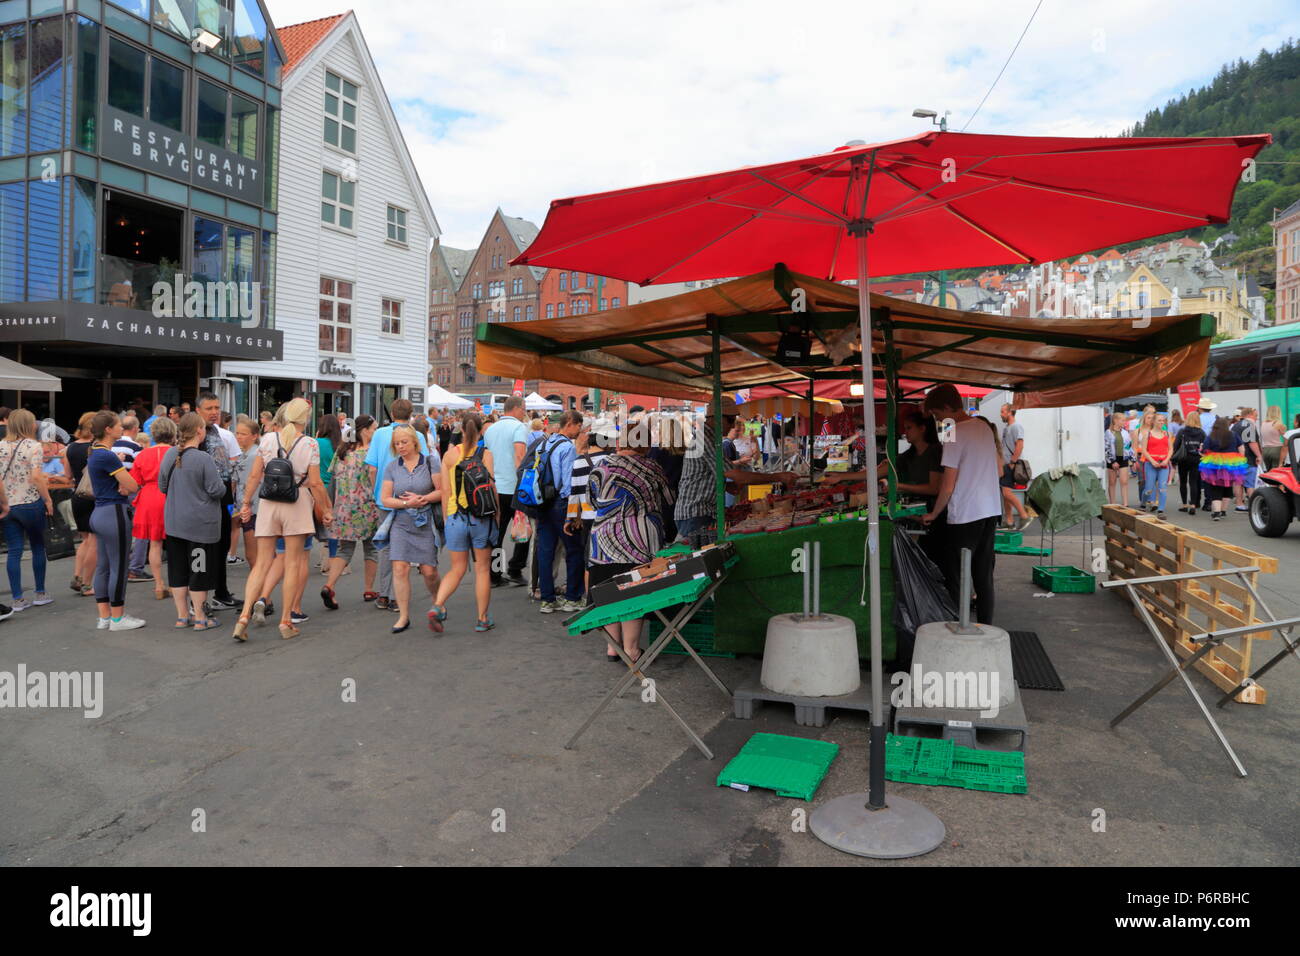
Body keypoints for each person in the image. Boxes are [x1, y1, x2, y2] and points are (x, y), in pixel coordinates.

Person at [232, 399, 332, 641]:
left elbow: (256, 475)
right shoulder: (310, 444)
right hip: (295, 503)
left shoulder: (267, 439)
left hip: (268, 504)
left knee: (262, 564)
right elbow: (316, 483)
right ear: (305, 418)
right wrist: (326, 508)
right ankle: (286, 621)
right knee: (293, 564)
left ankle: (244, 616)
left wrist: (246, 504)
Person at [586, 416, 674, 661]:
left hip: (603, 538)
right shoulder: (652, 467)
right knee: (633, 592)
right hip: (640, 539)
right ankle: (632, 648)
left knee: (609, 590)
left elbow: (591, 501)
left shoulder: (601, 466)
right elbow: (668, 500)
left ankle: (612, 647)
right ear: (645, 443)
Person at [921, 384, 1002, 626]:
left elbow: (947, 484)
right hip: (989, 511)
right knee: (983, 576)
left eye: (936, 414)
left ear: (947, 408)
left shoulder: (955, 432)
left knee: (955, 577)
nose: (937, 420)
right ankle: (987, 627)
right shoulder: (983, 428)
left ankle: (958, 626)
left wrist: (934, 513)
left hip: (966, 514)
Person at [429, 411, 495, 632]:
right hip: (480, 517)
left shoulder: (449, 456)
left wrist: (448, 519)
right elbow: (491, 488)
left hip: (455, 517)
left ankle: (438, 605)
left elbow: (445, 491)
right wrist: (497, 516)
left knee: (457, 568)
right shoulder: (485, 454)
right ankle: (482, 618)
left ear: (461, 430)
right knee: (482, 569)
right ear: (480, 431)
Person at [159, 413, 227, 630]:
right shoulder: (203, 458)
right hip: (199, 526)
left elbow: (162, 486)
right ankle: (199, 617)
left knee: (178, 571)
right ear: (199, 431)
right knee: (199, 570)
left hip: (174, 523)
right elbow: (216, 490)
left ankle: (181, 616)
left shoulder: (170, 455)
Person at [365, 398, 428, 612]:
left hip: (385, 498)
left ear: (392, 414)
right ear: (410, 415)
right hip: (408, 496)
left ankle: (384, 594)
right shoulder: (416, 436)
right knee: (403, 547)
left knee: (385, 545)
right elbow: (424, 465)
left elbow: (372, 468)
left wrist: (376, 490)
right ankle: (394, 596)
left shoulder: (380, 434)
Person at [378, 424, 442, 633]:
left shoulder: (430, 462)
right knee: (399, 568)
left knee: (429, 571)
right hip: (401, 523)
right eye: (397, 444)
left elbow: (442, 492)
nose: (401, 447)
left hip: (425, 522)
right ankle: (404, 616)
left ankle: (437, 601)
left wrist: (422, 499)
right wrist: (407, 504)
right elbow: (385, 499)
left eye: (404, 442)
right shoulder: (392, 467)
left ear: (415, 442)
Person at [86, 411, 144, 630]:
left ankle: (104, 617)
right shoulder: (107, 455)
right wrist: (127, 484)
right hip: (114, 512)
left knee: (103, 566)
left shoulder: (95, 452)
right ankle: (118, 617)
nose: (122, 428)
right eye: (118, 425)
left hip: (99, 512)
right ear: (108, 429)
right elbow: (132, 486)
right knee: (119, 566)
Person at [323, 415, 381, 609]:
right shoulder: (371, 453)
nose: (376, 432)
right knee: (371, 547)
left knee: (344, 548)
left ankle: (329, 585)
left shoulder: (342, 451)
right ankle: (368, 588)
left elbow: (332, 480)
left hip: (343, 507)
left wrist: (329, 508)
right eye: (374, 428)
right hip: (366, 505)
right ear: (365, 430)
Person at [0, 409, 54, 611]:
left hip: (9, 503)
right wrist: (47, 499)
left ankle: (17, 598)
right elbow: (37, 477)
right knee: (38, 546)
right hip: (30, 501)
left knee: (14, 551)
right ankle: (40, 592)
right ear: (29, 425)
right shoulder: (34, 446)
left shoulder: (0, 446)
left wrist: (4, 502)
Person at [534, 411, 584, 614]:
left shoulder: (543, 443)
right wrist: (571, 511)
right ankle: (572, 597)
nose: (580, 430)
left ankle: (547, 599)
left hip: (542, 501)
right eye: (579, 426)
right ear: (570, 423)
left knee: (546, 551)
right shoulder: (567, 448)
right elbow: (567, 483)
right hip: (560, 503)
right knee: (573, 550)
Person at [196, 392, 241, 609]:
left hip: (224, 498)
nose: (214, 412)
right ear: (198, 411)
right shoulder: (195, 434)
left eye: (217, 408)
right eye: (209, 408)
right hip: (204, 501)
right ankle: (198, 601)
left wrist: (232, 503)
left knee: (222, 545)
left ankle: (221, 593)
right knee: (202, 549)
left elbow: (229, 468)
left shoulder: (217, 432)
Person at [482, 396, 530, 587]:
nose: (525, 412)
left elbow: (487, 457)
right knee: (522, 530)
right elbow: (519, 455)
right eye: (524, 409)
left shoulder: (491, 429)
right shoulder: (519, 427)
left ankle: (494, 575)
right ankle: (515, 569)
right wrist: (524, 480)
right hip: (513, 486)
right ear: (517, 409)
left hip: (495, 487)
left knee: (497, 534)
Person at [130, 417, 176, 601]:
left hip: (149, 497)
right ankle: (175, 584)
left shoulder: (142, 455)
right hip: (171, 496)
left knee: (154, 543)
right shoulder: (176, 453)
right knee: (175, 543)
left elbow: (135, 481)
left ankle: (159, 585)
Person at [65, 412, 98, 597]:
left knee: (85, 540)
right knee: (94, 542)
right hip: (93, 496)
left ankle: (77, 576)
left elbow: (68, 476)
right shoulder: (95, 447)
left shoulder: (70, 448)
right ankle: (87, 584)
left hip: (77, 495)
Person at [1199, 418, 1248, 522]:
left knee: (1215, 487)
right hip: (1231, 464)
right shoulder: (1233, 434)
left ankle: (1216, 512)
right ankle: (1223, 511)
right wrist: (1238, 461)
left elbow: (1205, 451)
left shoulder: (1211, 436)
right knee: (1228, 486)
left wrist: (1202, 452)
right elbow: (1242, 449)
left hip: (1215, 465)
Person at [229, 415, 260, 569]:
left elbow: (249, 484)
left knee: (253, 555)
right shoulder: (244, 454)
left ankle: (260, 587)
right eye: (238, 433)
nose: (238, 436)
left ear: (254, 436)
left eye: (243, 433)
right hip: (247, 507)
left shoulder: (254, 455)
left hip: (253, 509)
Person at [314, 413, 343, 572]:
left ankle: (323, 561)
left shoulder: (316, 443)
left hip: (319, 487)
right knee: (332, 526)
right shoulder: (340, 445)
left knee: (316, 524)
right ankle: (333, 561)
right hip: (336, 486)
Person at [998, 404, 1031, 531]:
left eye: (1002, 411)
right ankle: (1009, 522)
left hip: (1010, 465)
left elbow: (1020, 445)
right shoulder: (1007, 428)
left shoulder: (1017, 427)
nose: (1001, 414)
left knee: (1006, 493)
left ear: (1010, 412)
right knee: (1005, 493)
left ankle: (1024, 516)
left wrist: (1012, 462)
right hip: (1005, 464)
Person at [1140, 412, 1173, 518]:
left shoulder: (1167, 434)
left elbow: (1171, 449)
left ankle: (1161, 510)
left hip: (1163, 464)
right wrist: (1152, 461)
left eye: (1163, 420)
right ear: (1153, 421)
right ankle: (1143, 503)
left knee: (1162, 487)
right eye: (1159, 420)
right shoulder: (1147, 434)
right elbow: (1144, 450)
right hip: (1150, 464)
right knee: (1149, 488)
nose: (1161, 422)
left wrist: (1166, 460)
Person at [1172, 410, 1205, 515]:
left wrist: (1173, 458)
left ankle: (1185, 505)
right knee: (1193, 482)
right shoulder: (1202, 432)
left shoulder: (1182, 431)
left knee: (1183, 482)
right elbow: (1205, 447)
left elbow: (1175, 446)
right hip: (1196, 459)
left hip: (1183, 458)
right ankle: (1193, 505)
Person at [1232, 408, 1263, 512]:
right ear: (1249, 415)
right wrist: (1258, 455)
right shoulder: (1249, 425)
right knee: (1250, 483)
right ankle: (1254, 506)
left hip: (1236, 458)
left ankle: (1239, 504)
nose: (1257, 417)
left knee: (1238, 482)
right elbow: (1251, 442)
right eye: (1255, 415)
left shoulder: (1236, 425)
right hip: (1248, 458)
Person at [1104, 412, 1133, 507]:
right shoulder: (1108, 432)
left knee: (1124, 481)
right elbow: (1107, 448)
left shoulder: (1125, 432)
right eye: (1122, 420)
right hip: (1112, 460)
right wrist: (1112, 461)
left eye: (1125, 420)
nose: (1124, 422)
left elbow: (1129, 446)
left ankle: (1125, 503)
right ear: (1115, 420)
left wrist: (1133, 460)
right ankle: (1112, 503)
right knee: (1112, 482)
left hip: (1123, 458)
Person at [1261, 406, 1285, 471]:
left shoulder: (1263, 423)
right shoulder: (1279, 424)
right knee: (1276, 472)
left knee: (1269, 472)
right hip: (1276, 450)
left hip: (1265, 450)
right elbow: (1286, 438)